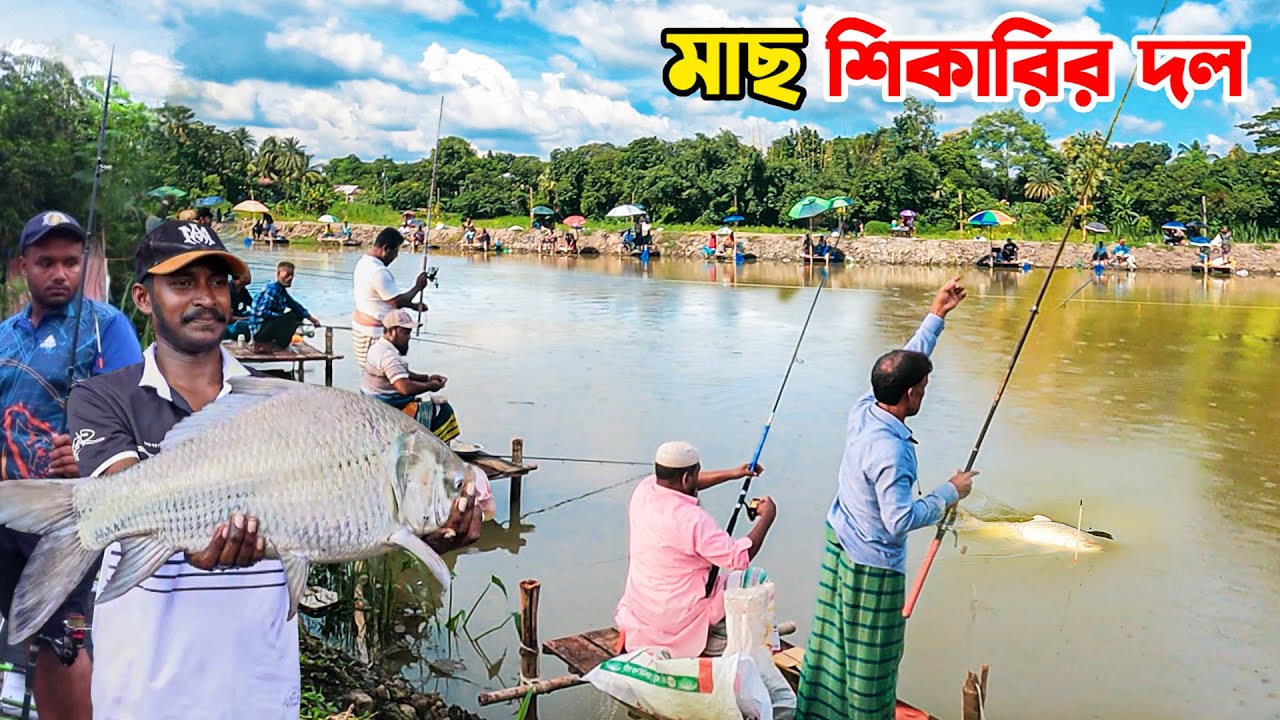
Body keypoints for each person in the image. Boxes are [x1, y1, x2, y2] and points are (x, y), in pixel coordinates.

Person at [65, 220, 483, 720]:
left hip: (260, 693)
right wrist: (190, 529)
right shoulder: (100, 398)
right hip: (143, 694)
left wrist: (434, 531)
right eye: (182, 282)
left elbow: (337, 525)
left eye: (217, 282)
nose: (205, 296)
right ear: (142, 296)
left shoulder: (281, 400)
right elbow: (122, 496)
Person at [795, 277, 978, 720]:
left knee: (833, 646)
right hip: (873, 565)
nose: (924, 393)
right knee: (872, 663)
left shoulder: (867, 407)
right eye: (924, 388)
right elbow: (898, 520)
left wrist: (937, 314)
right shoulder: (892, 451)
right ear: (911, 394)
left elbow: (909, 361)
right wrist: (949, 492)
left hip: (840, 542)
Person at [0, 211, 143, 719]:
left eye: (69, 261)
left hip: (69, 517)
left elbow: (135, 416)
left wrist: (83, 458)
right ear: (23, 267)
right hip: (8, 511)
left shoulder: (107, 327)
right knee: (26, 628)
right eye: (45, 262)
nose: (59, 273)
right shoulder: (5, 335)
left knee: (66, 638)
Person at [614, 441, 776, 659]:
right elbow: (739, 557)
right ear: (686, 478)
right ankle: (717, 642)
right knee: (755, 578)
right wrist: (767, 517)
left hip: (642, 609)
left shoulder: (643, 490)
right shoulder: (692, 519)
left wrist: (733, 474)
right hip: (678, 616)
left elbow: (687, 482)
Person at [360, 308, 461, 443]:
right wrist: (430, 386)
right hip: (387, 408)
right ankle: (437, 446)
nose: (408, 336)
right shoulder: (388, 356)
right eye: (405, 332)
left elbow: (402, 374)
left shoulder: (378, 348)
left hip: (374, 402)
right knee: (442, 410)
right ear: (392, 331)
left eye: (409, 332)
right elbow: (404, 387)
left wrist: (427, 378)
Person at [351, 228, 430, 368]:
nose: (395, 257)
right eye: (395, 252)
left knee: (372, 373)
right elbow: (396, 302)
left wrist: (413, 305)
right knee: (377, 374)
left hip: (361, 328)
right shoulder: (379, 272)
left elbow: (383, 298)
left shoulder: (363, 262)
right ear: (386, 249)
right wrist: (418, 287)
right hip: (373, 333)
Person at [247, 261, 320, 352]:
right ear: (278, 274)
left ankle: (281, 343)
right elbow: (262, 312)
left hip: (266, 328)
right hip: (258, 330)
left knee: (298, 313)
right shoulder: (272, 289)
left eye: (292, 275)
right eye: (287, 275)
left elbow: (295, 305)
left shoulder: (281, 291)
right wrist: (281, 318)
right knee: (291, 317)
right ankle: (279, 344)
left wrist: (312, 319)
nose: (290, 278)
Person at [225, 269, 254, 340]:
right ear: (241, 277)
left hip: (240, 317)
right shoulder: (229, 292)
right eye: (248, 274)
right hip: (229, 326)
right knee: (242, 325)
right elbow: (229, 319)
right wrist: (247, 318)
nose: (251, 277)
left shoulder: (242, 290)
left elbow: (254, 305)